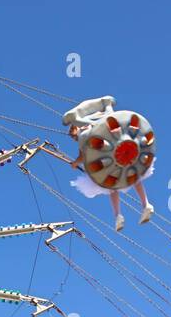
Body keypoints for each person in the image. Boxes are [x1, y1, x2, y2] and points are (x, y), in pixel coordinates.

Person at [64, 96, 155, 232]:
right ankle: (146, 204)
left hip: (112, 157)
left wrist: (75, 163)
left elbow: (83, 156)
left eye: (73, 135)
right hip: (126, 150)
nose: (73, 138)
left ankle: (118, 215)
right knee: (134, 175)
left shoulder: (84, 133)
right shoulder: (98, 121)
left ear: (74, 129)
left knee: (111, 187)